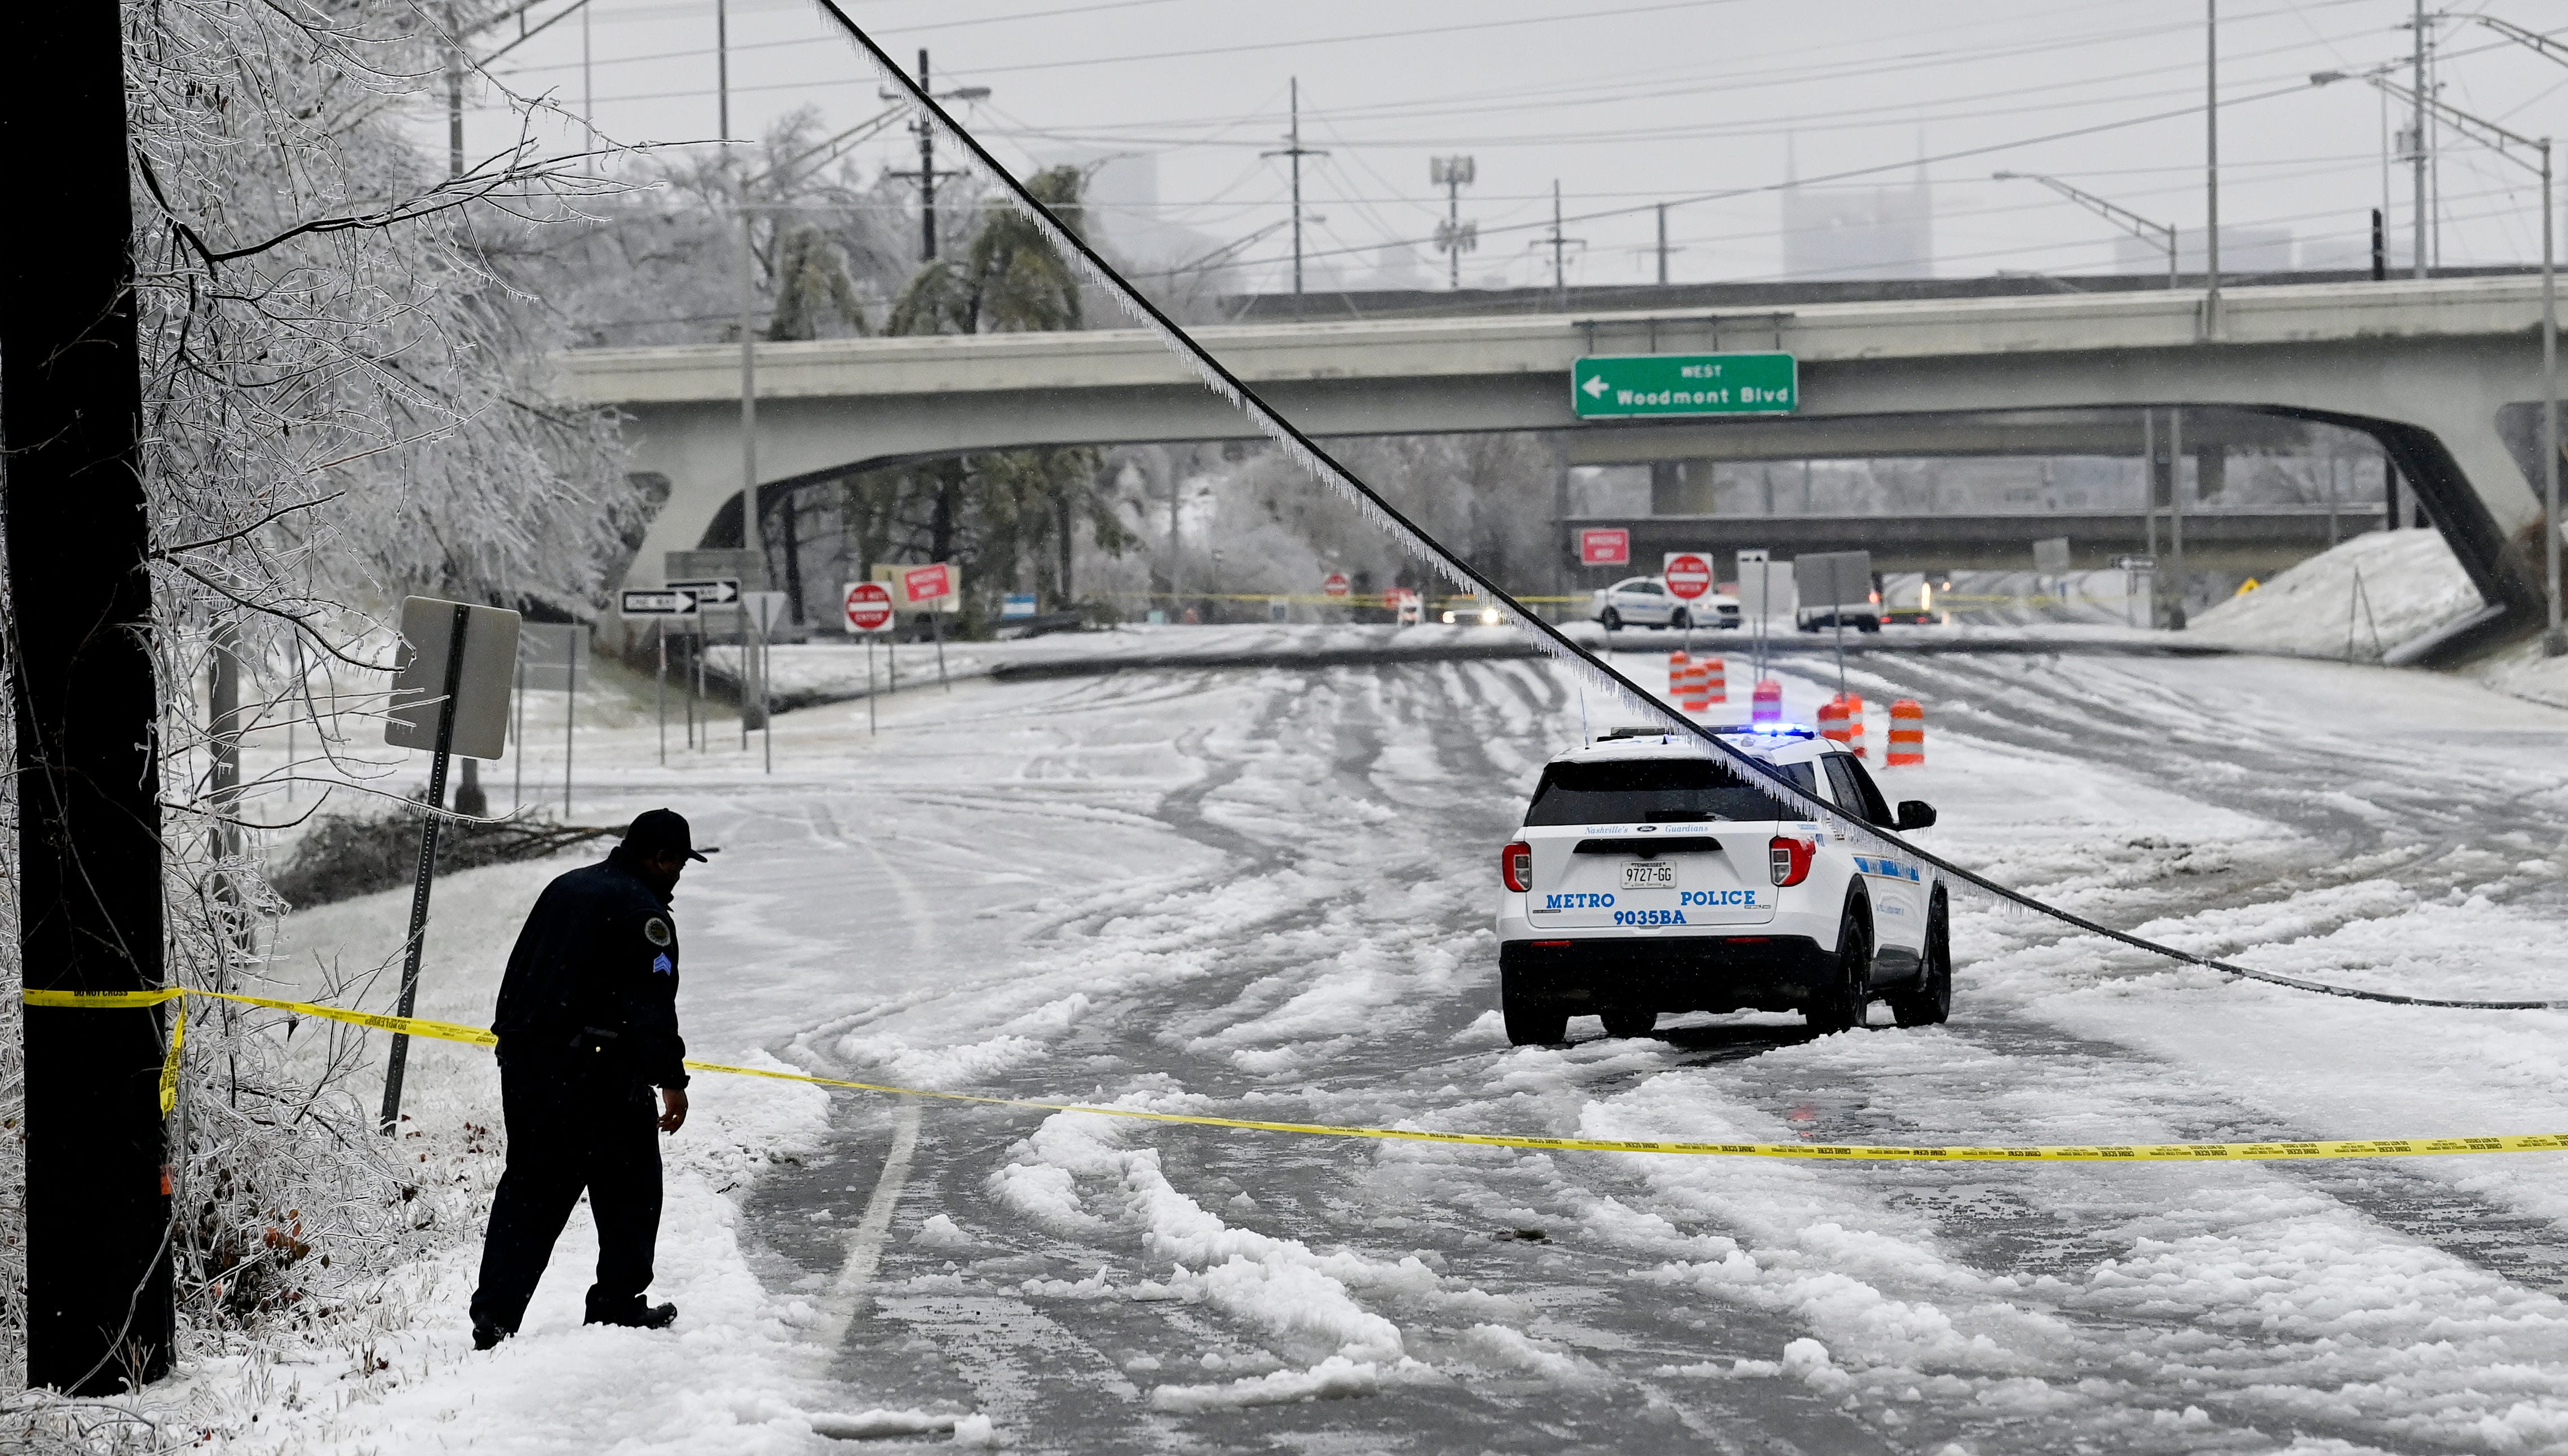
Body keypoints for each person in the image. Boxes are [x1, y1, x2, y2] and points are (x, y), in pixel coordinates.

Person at [469, 808, 710, 1350]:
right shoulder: (644, 914)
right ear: (662, 858)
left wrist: (521, 1044)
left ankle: (494, 1316)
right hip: (596, 1072)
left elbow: (520, 972)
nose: (678, 877)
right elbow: (651, 1007)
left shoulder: (566, 887)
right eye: (678, 864)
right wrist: (671, 1080)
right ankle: (617, 1303)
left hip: (526, 1063)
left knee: (529, 1189)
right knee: (632, 1185)